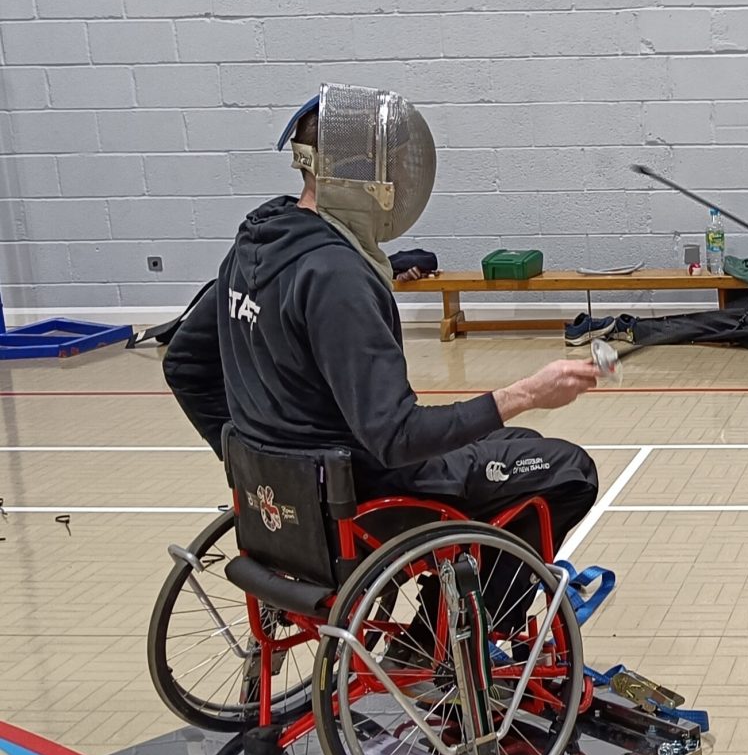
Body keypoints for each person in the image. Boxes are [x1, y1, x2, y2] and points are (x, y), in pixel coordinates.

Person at [164, 83, 602, 624]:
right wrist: (527, 392)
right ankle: (451, 637)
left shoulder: (256, 246)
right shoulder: (337, 277)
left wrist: (252, 466)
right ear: (362, 178)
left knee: (521, 445)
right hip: (365, 494)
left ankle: (449, 612)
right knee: (568, 471)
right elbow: (397, 437)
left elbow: (184, 363)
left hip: (290, 499)